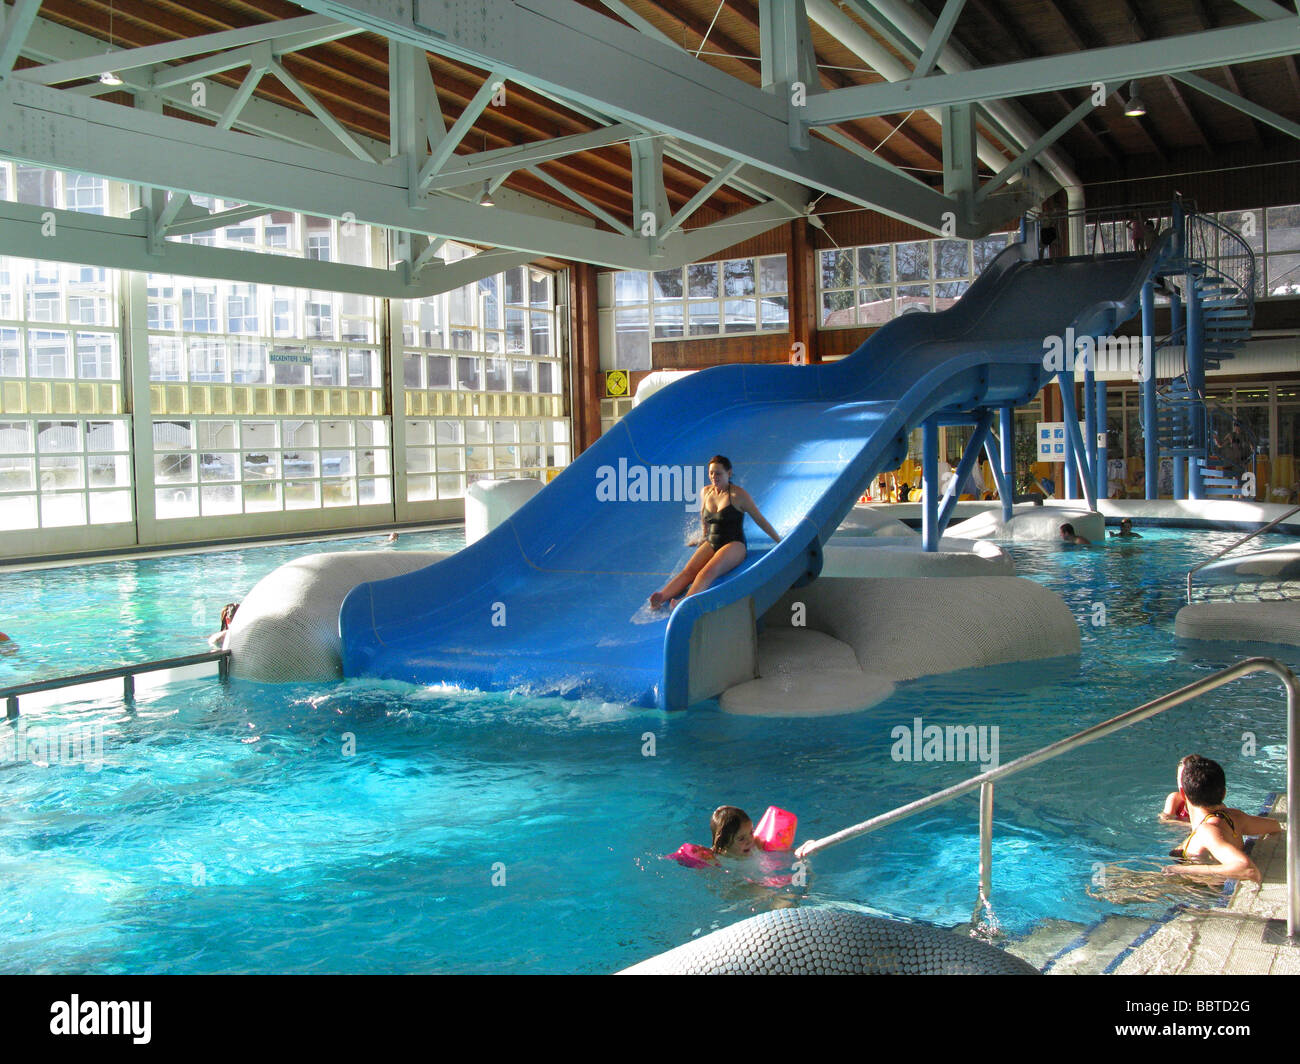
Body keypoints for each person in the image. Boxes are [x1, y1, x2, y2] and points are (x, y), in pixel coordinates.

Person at [649, 455, 781, 609]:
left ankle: (683, 601)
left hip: (734, 544)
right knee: (689, 570)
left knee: (708, 571)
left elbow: (760, 520)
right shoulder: (706, 492)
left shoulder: (738, 495)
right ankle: (662, 596)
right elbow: (703, 517)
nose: (714, 477)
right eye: (711, 473)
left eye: (718, 473)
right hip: (712, 541)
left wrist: (778, 540)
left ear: (729, 473)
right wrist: (703, 537)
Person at [1162, 755, 1282, 883]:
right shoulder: (1235, 817)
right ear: (1224, 793)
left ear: (1182, 793)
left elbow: (1248, 869)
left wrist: (1182, 870)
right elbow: (1275, 825)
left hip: (1201, 892)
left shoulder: (1208, 832)